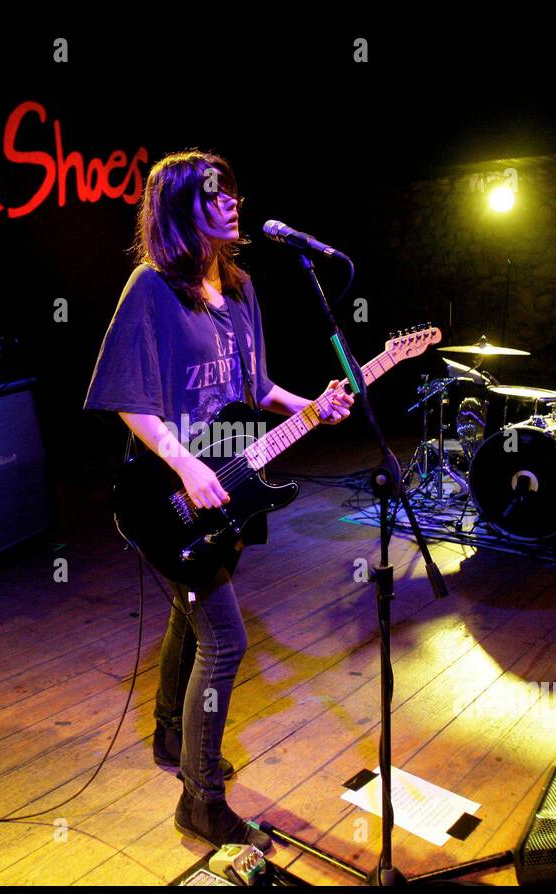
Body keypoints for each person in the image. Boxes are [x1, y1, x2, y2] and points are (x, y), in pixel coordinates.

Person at [83, 150, 354, 851]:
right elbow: (126, 398)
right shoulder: (151, 287)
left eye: (233, 190)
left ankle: (172, 734)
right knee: (225, 637)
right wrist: (181, 463)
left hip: (225, 483)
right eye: (214, 194)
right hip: (161, 490)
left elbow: (258, 389)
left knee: (191, 614)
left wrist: (313, 404)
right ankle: (200, 800)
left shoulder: (239, 289)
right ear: (179, 208)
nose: (232, 203)